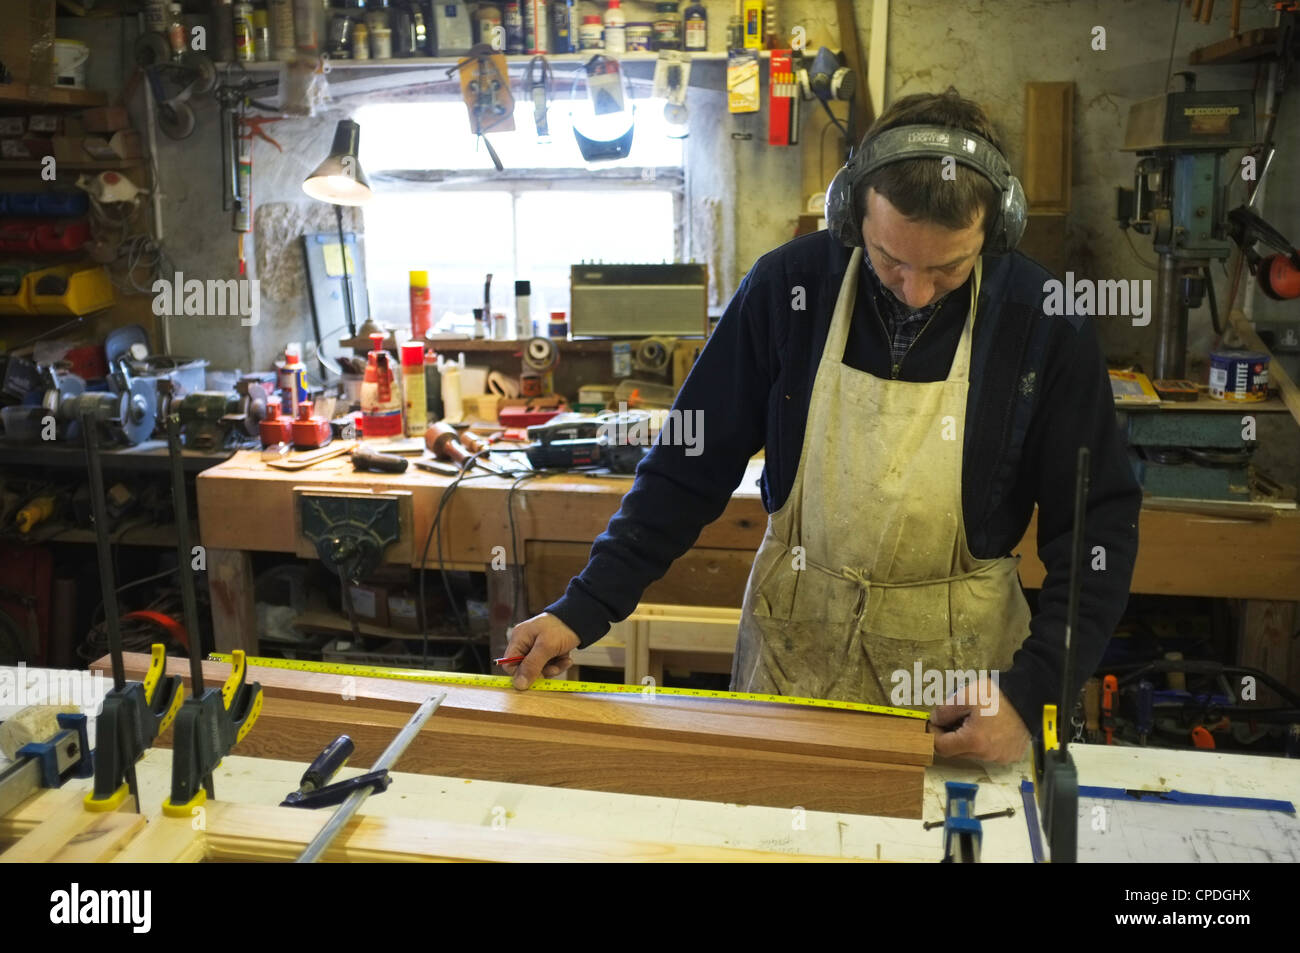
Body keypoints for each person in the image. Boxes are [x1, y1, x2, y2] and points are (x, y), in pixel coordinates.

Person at [502, 89, 1141, 765]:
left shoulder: (1041, 319)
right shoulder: (788, 288)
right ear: (851, 213)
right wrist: (583, 606)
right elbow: (688, 463)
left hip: (960, 683)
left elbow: (1096, 522)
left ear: (997, 229)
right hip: (793, 654)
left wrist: (1034, 692)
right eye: (889, 257)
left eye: (948, 267)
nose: (915, 289)